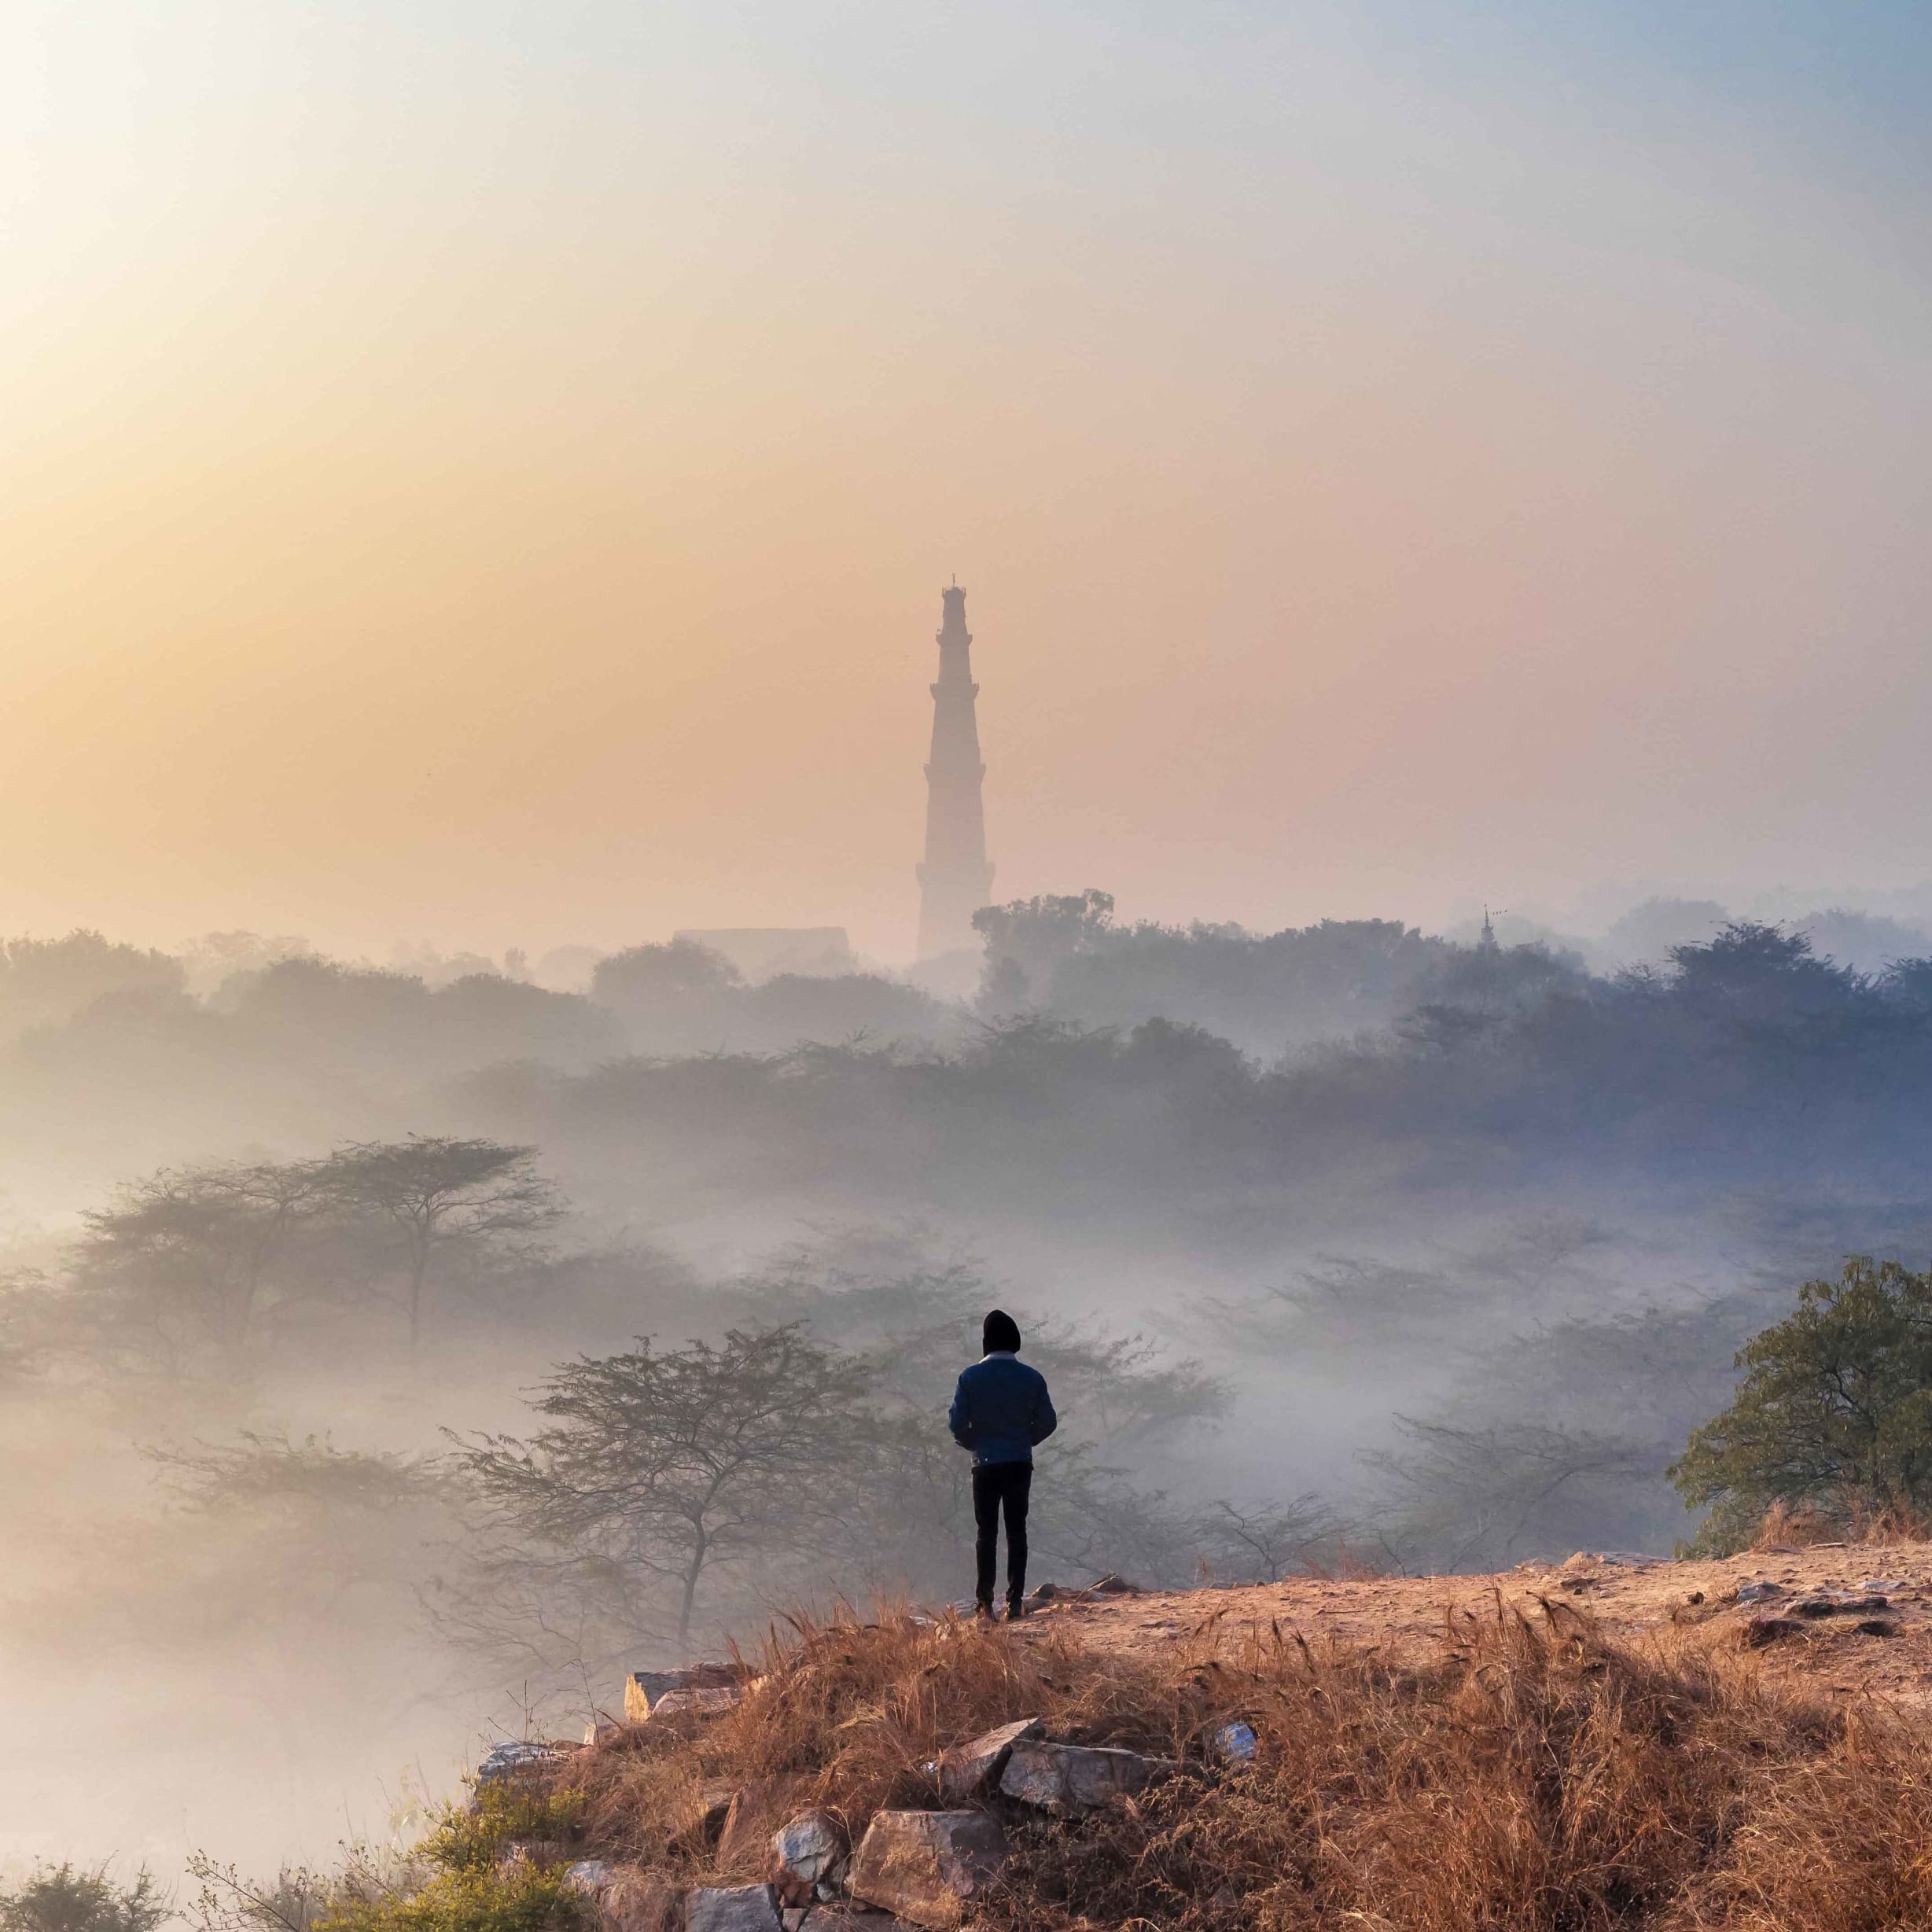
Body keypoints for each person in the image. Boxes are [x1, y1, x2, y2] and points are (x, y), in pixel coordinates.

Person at [948, 1308, 1057, 1619]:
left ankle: (984, 1604)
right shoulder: (1032, 1378)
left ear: (986, 1342)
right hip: (1019, 1463)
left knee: (986, 1533)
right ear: (1015, 1342)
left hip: (984, 1463)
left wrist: (973, 1443)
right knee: (1017, 1531)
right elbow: (1048, 1421)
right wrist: (1025, 1441)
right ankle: (1015, 1601)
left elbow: (957, 1423)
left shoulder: (969, 1377)